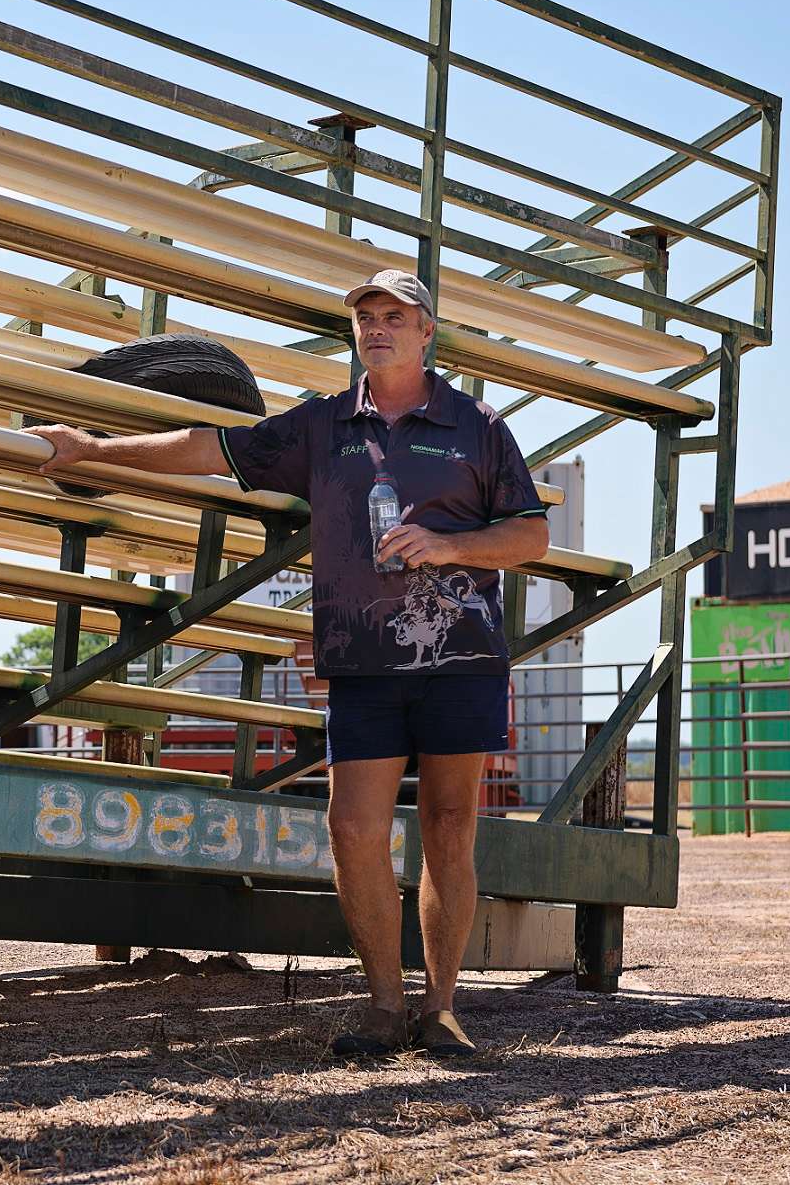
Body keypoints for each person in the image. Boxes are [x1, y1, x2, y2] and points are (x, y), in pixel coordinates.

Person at [28, 269, 549, 1058]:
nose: (377, 327)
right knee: (351, 830)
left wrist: (448, 544)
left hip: (460, 658)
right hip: (363, 663)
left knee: (449, 826)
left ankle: (440, 1007)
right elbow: (212, 448)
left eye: (395, 315)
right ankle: (382, 1005)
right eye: (365, 315)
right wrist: (96, 449)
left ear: (427, 329)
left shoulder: (478, 425)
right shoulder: (323, 425)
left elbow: (530, 535)